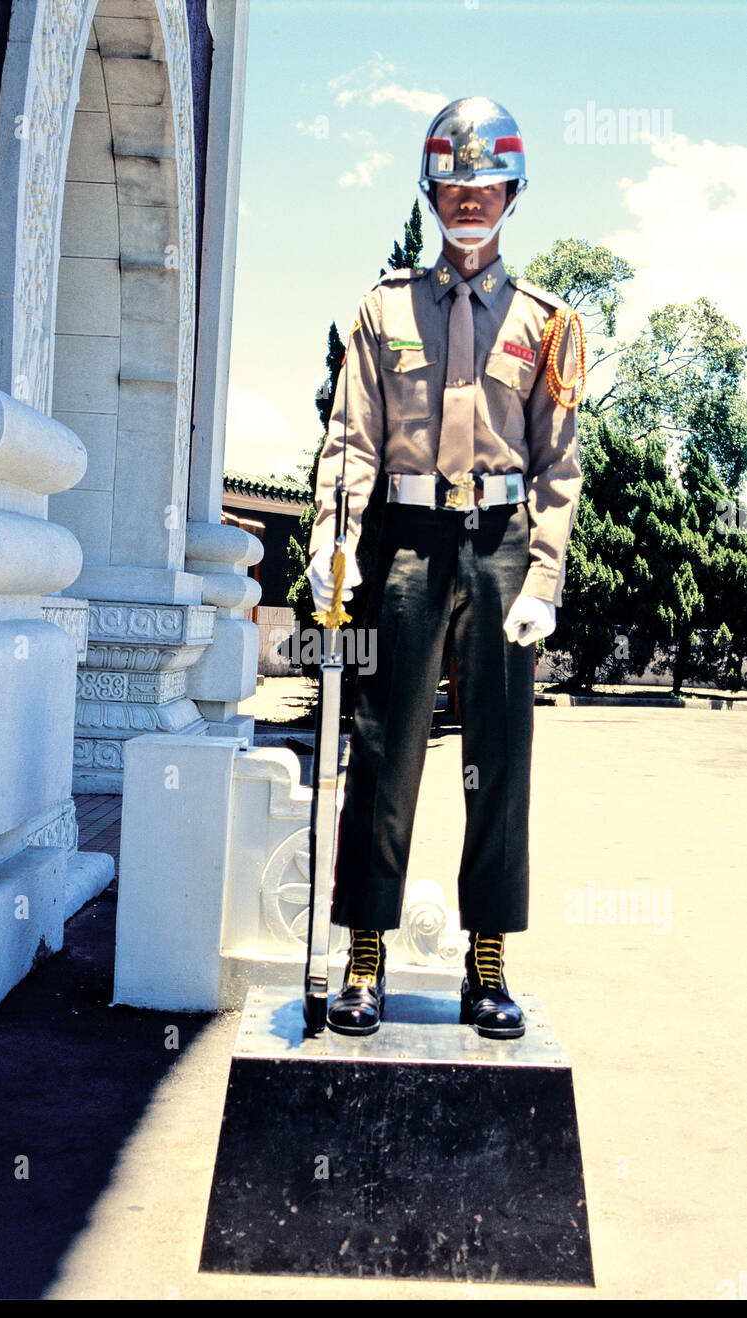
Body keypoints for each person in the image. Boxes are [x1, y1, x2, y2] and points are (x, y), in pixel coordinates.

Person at [306, 96, 584, 1039]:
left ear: (511, 193)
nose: (468, 202)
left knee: (499, 757)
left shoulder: (546, 324)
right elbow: (349, 440)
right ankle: (365, 953)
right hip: (409, 545)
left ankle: (488, 960)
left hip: (501, 548)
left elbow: (558, 463)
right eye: (452, 188)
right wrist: (332, 541)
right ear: (431, 195)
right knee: (384, 749)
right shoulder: (384, 308)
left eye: (484, 187)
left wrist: (542, 578)